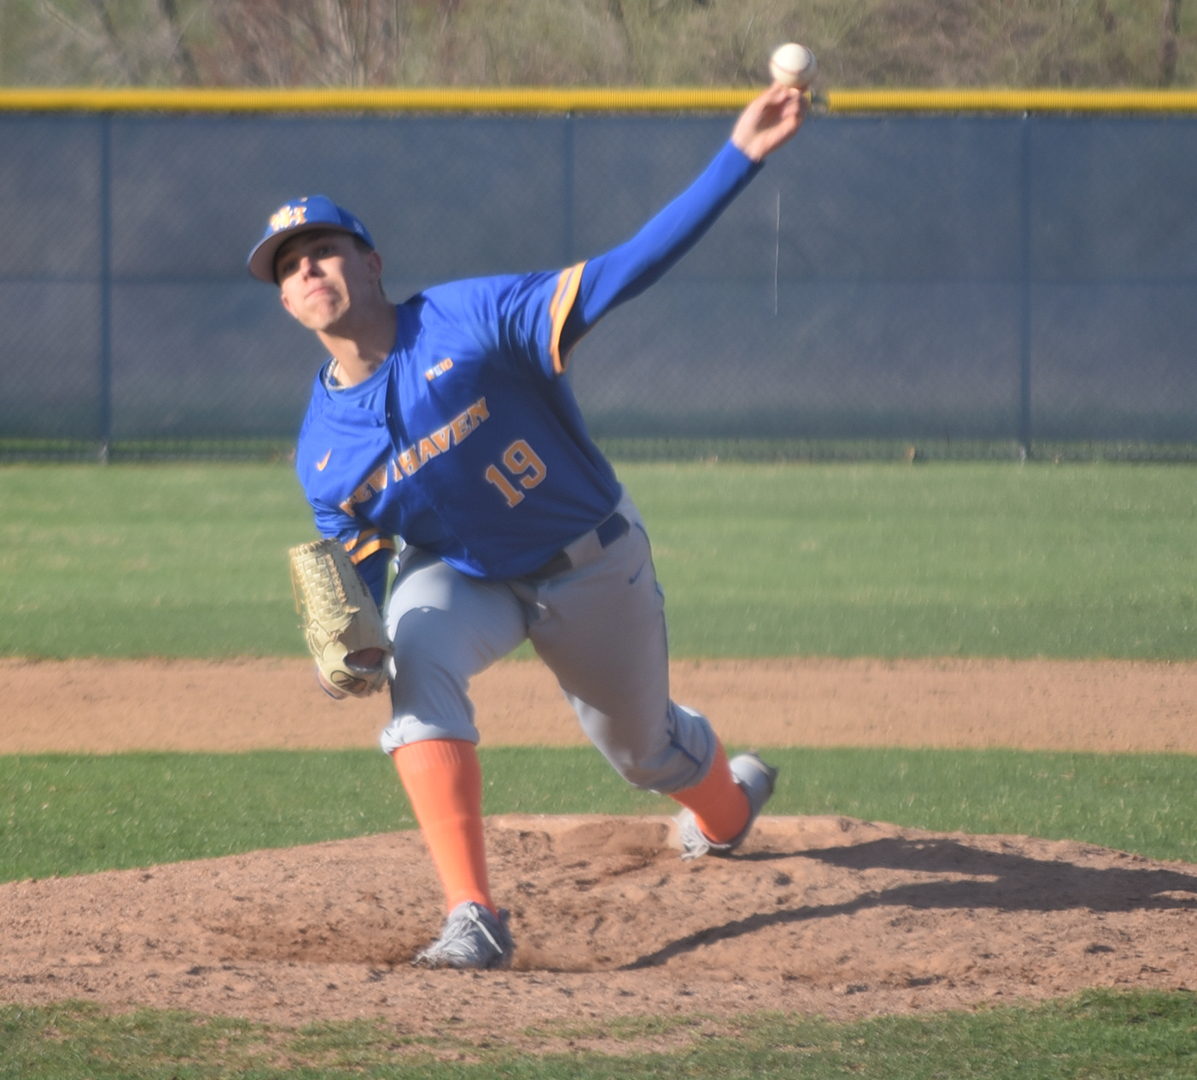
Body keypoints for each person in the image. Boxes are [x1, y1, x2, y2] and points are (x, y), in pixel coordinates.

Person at [247, 84, 808, 970]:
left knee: (645, 755)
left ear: (373, 263)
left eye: (323, 250)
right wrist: (351, 648)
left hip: (588, 562)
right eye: (289, 267)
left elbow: (625, 269)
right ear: (285, 303)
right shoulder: (322, 450)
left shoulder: (472, 319)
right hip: (466, 575)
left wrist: (739, 157)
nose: (308, 270)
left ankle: (726, 805)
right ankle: (473, 915)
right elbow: (361, 576)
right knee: (414, 660)